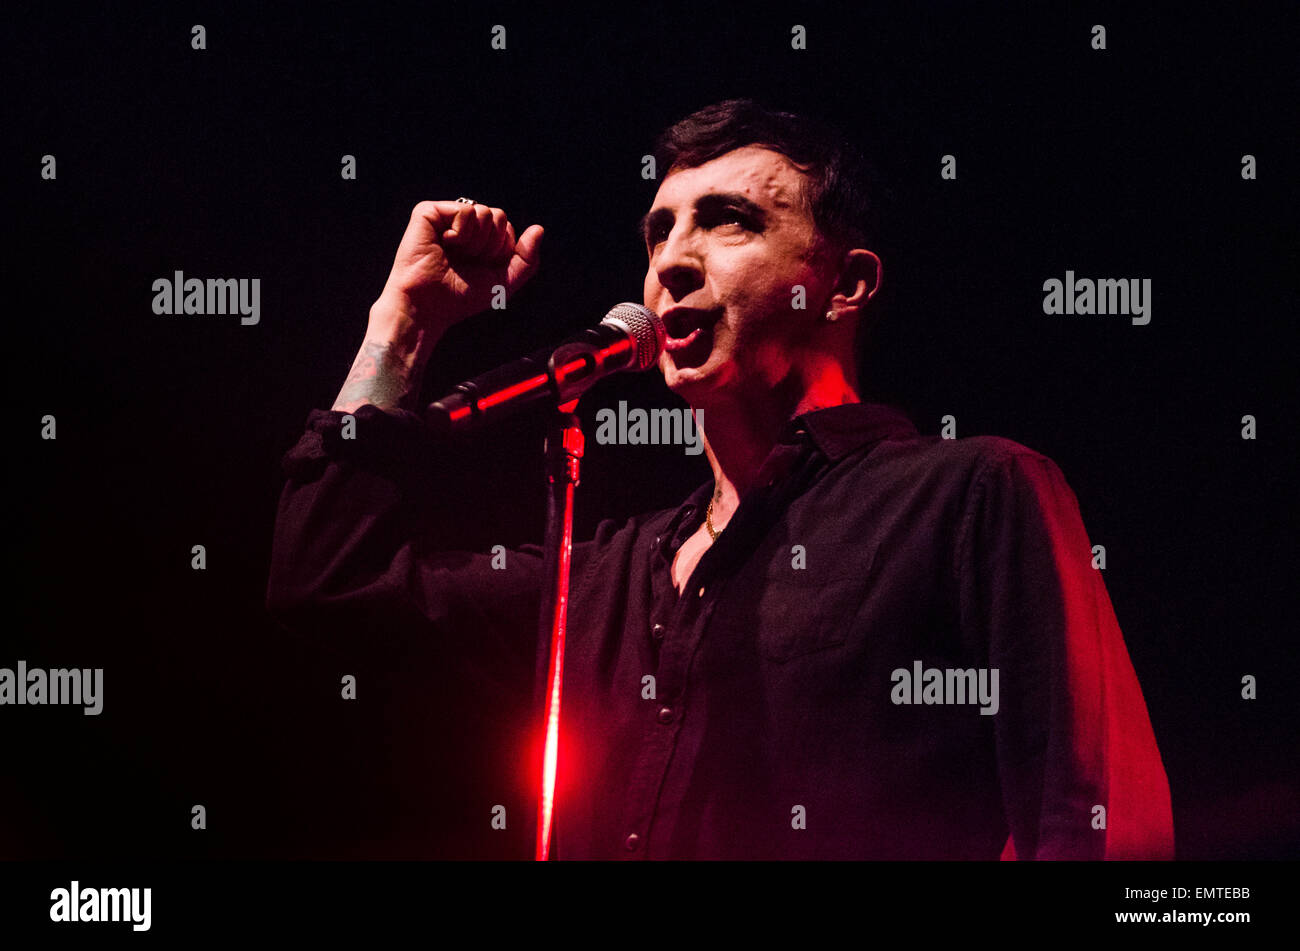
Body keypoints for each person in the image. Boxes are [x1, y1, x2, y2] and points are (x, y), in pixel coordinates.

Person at [267, 99, 1174, 860]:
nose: (671, 260)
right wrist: (403, 328)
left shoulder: (974, 493)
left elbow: (1097, 823)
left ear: (846, 285)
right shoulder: (606, 577)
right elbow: (330, 589)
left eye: (728, 220)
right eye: (659, 229)